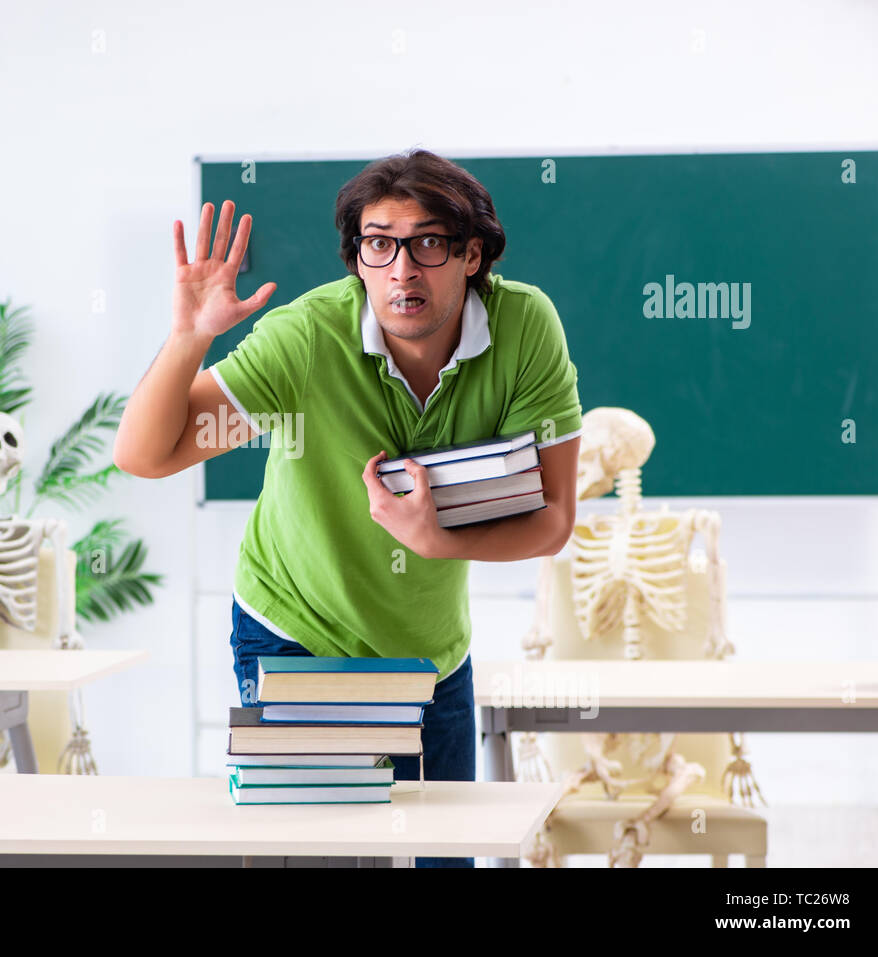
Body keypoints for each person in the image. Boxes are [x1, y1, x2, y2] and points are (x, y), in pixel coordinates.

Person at [114, 148, 583, 867]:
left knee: (440, 858)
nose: (403, 269)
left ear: (473, 255)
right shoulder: (309, 339)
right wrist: (190, 337)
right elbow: (147, 454)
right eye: (379, 244)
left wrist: (439, 541)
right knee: (314, 854)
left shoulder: (524, 329)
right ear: (358, 260)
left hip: (429, 648)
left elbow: (552, 521)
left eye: (428, 242)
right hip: (297, 632)